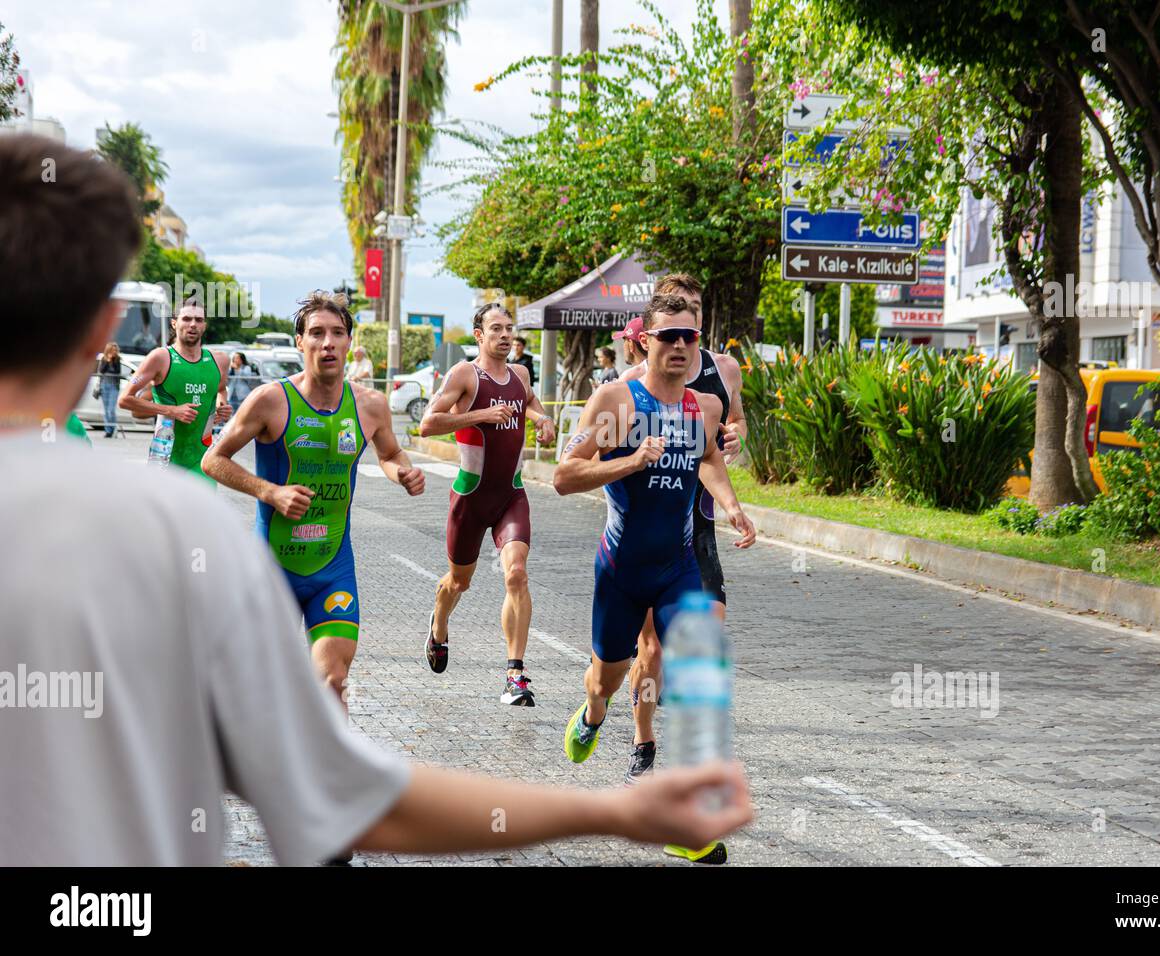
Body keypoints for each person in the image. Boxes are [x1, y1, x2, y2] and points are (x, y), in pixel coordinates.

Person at [0, 132, 751, 868]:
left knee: (345, 673)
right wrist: (614, 814)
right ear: (106, 325)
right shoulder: (172, 524)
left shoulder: (219, 494)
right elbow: (337, 784)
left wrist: (396, 471)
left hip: (365, 559)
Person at [554, 292, 756, 864]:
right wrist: (632, 459)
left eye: (689, 337)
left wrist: (732, 505)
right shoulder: (617, 399)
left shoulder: (705, 408)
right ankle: (593, 716)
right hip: (620, 572)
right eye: (668, 336)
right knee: (607, 680)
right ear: (645, 339)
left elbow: (708, 461)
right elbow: (566, 477)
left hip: (678, 567)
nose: (679, 347)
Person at [203, 291, 424, 714]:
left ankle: (327, 778)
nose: (328, 343)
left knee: (332, 681)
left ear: (348, 343)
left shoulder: (370, 406)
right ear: (300, 343)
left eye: (337, 333)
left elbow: (391, 455)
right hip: (272, 566)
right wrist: (269, 491)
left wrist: (404, 473)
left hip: (332, 567)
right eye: (317, 333)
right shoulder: (271, 400)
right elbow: (213, 458)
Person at [617, 273, 748, 785]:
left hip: (701, 521)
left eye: (692, 315)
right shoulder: (631, 382)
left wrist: (734, 440)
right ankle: (642, 737)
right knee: (649, 649)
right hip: (652, 527)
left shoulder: (725, 369)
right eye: (673, 322)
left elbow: (734, 425)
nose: (683, 333)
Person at [419, 303, 556, 704]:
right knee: (459, 581)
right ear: (479, 335)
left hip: (511, 495)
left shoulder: (520, 374)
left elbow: (529, 401)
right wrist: (480, 415)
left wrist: (542, 418)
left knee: (516, 574)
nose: (505, 335)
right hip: (471, 497)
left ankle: (515, 674)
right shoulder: (465, 374)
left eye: (509, 328)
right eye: (496, 328)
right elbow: (428, 422)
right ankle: (439, 625)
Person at [119, 295, 232, 481]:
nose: (193, 324)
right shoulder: (160, 358)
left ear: (204, 325)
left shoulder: (219, 360)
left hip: (204, 459)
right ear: (174, 323)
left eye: (199, 320)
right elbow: (125, 399)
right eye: (186, 319)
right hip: (166, 460)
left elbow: (221, 389)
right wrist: (171, 410)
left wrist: (221, 406)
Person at [96, 341, 122, 437]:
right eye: (113, 350)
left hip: (113, 386)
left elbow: (118, 371)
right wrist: (107, 361)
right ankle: (108, 430)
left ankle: (114, 429)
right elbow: (101, 371)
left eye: (116, 350)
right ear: (109, 350)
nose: (115, 352)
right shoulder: (103, 359)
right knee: (106, 410)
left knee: (111, 409)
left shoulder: (117, 360)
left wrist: (113, 360)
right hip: (104, 385)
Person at [228, 350, 257, 414]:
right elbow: (227, 378)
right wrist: (230, 369)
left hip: (242, 395)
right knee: (232, 412)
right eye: (234, 358)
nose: (235, 360)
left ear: (242, 359)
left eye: (237, 358)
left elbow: (247, 378)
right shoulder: (231, 368)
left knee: (242, 412)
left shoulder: (246, 367)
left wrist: (238, 369)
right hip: (232, 393)